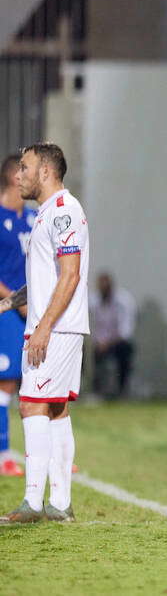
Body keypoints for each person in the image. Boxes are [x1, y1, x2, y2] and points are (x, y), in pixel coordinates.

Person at [0, 143, 89, 523]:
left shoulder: (64, 212)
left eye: (25, 167)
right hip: (56, 326)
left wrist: (43, 329)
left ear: (47, 172)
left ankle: (33, 505)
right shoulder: (46, 213)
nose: (18, 174)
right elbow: (47, 276)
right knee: (54, 410)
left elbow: (70, 276)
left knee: (31, 404)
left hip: (55, 328)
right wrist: (10, 302)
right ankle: (60, 505)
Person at [0, 154, 33, 477]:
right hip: (7, 311)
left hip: (35, 311)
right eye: (24, 170)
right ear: (14, 177)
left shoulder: (35, 217)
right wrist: (15, 300)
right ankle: (3, 452)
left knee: (37, 380)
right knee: (6, 381)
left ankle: (45, 453)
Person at [90, 272, 137, 398]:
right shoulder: (94, 301)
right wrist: (99, 343)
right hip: (99, 344)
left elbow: (125, 332)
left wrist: (107, 343)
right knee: (85, 353)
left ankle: (122, 391)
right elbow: (93, 326)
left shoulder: (123, 301)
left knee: (125, 350)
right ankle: (95, 391)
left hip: (118, 343)